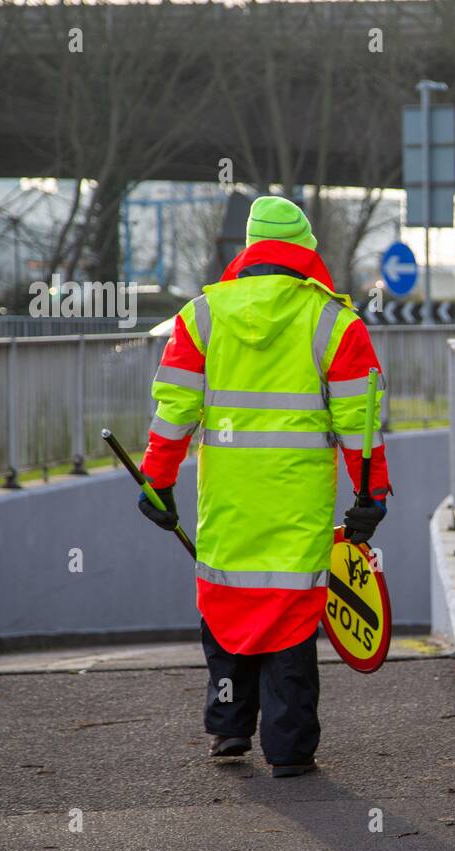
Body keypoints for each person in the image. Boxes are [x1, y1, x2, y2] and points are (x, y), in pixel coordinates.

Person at [136, 195, 391, 777]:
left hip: (226, 501)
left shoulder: (201, 316)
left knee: (227, 600)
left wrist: (157, 480)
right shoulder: (333, 321)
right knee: (291, 613)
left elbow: (173, 410)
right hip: (296, 502)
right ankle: (289, 748)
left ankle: (228, 730)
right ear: (305, 251)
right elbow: (360, 420)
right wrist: (369, 493)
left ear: (248, 249)